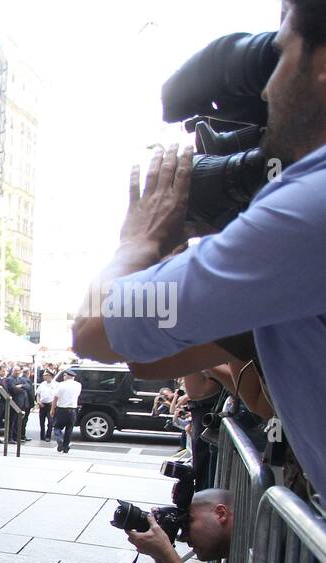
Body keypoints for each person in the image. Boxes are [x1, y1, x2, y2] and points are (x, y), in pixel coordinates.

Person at [72, 0, 326, 497]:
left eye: (283, 56)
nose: (269, 89)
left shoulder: (309, 211)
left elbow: (95, 327)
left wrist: (138, 241)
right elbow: (148, 359)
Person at [52, 370, 81, 453]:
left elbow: (55, 398)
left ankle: (59, 439)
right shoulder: (78, 385)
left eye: (64, 376)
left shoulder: (61, 385)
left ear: (66, 376)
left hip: (61, 409)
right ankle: (65, 447)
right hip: (72, 409)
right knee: (69, 429)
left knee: (57, 427)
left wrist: (52, 409)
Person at [35, 370, 56, 441]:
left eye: (46, 375)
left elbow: (57, 396)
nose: (45, 377)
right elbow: (38, 394)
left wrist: (54, 403)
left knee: (50, 421)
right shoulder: (42, 384)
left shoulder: (56, 384)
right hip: (42, 405)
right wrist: (38, 401)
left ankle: (48, 436)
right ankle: (42, 435)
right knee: (41, 421)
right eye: (44, 375)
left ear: (50, 376)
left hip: (50, 405)